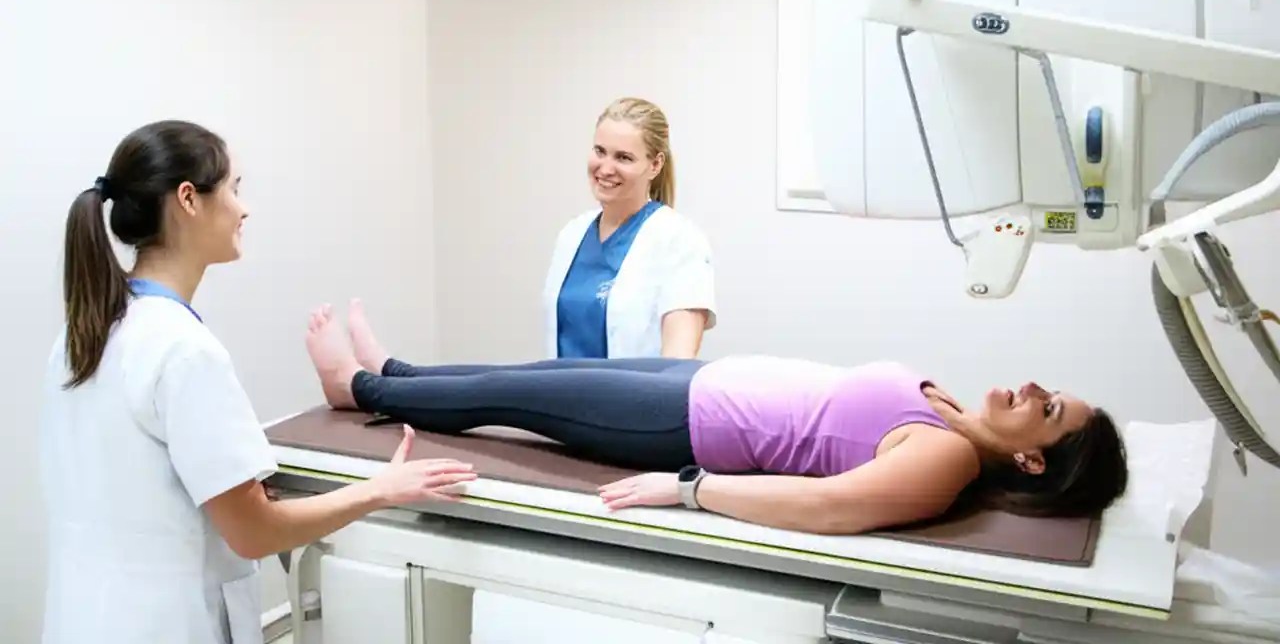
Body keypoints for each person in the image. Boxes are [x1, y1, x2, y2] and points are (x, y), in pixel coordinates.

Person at [39, 121, 476, 644]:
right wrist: (381, 491)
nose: (244, 209)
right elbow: (254, 533)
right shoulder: (183, 350)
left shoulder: (80, 333)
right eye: (234, 188)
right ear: (188, 200)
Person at [306, 300, 1130, 536]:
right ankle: (398, 373)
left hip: (687, 427)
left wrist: (693, 490)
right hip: (703, 379)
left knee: (517, 401)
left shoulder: (945, 462)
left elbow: (828, 506)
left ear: (1032, 462)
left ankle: (363, 393)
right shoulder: (949, 408)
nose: (1031, 387)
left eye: (1047, 409)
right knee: (535, 371)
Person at [543, 96, 717, 360]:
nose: (606, 168)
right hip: (558, 398)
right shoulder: (572, 234)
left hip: (631, 400)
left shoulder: (679, 241)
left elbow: (678, 364)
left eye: (623, 157)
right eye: (600, 151)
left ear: (655, 164)